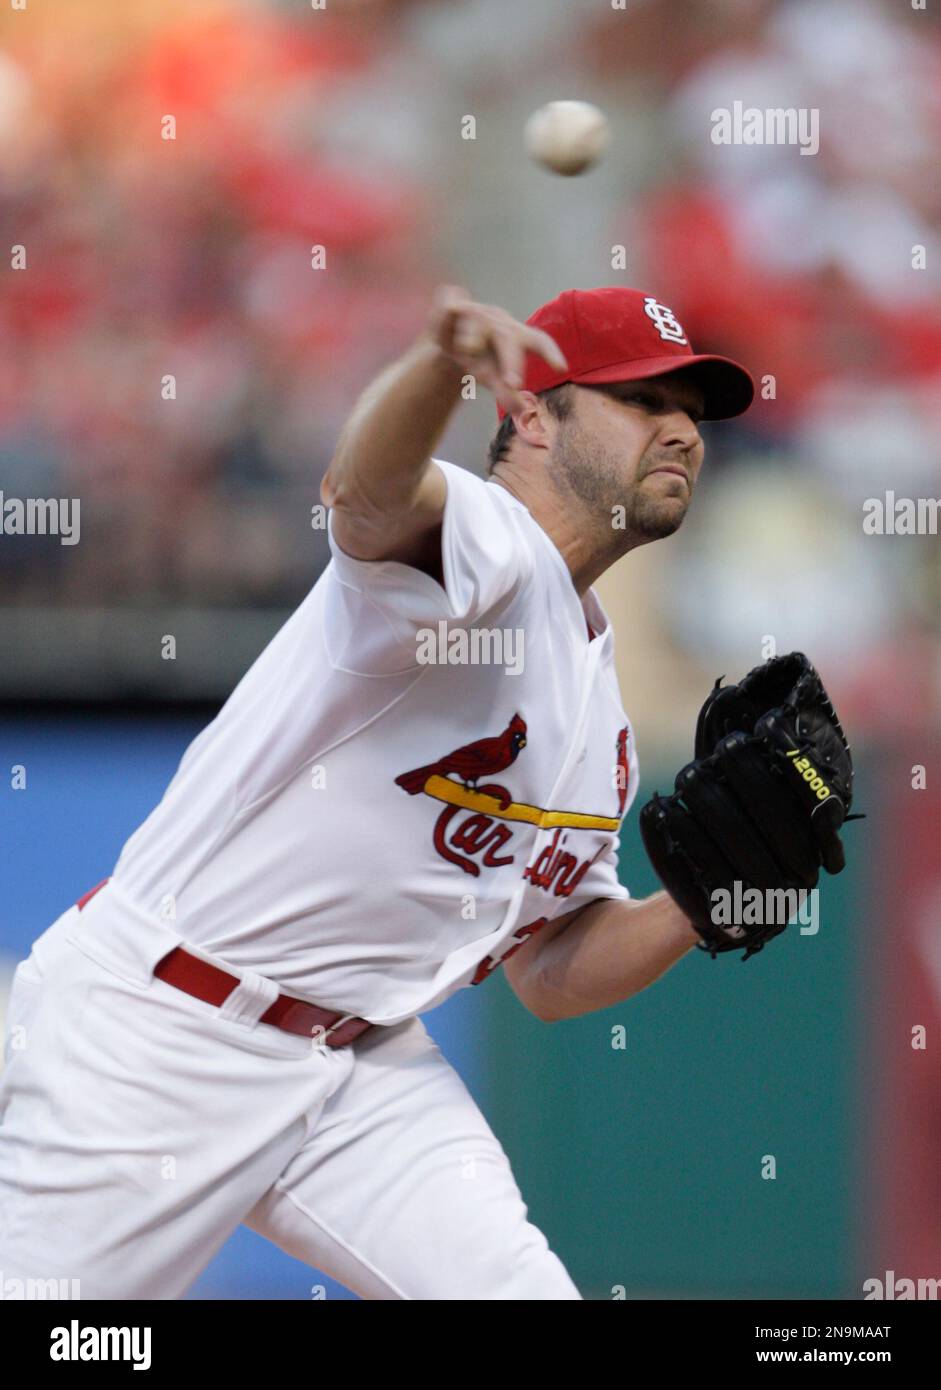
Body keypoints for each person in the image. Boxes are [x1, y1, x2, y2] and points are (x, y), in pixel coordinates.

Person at [0, 284, 754, 1301]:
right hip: (160, 1036)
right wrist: (435, 365)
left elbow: (549, 964)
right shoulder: (486, 545)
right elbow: (362, 495)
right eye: (640, 399)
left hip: (364, 1071)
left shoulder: (601, 718)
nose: (679, 430)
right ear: (530, 413)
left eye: (691, 410)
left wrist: (702, 905)